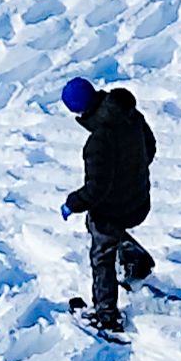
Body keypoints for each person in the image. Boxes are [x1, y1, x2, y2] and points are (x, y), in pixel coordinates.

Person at [59, 76, 156, 334]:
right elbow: (150, 147)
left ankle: (107, 316)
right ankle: (136, 261)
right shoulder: (130, 114)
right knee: (103, 227)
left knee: (101, 253)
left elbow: (95, 190)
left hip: (116, 210)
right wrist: (131, 174)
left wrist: (72, 203)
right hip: (139, 200)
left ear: (78, 111)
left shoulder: (98, 142)